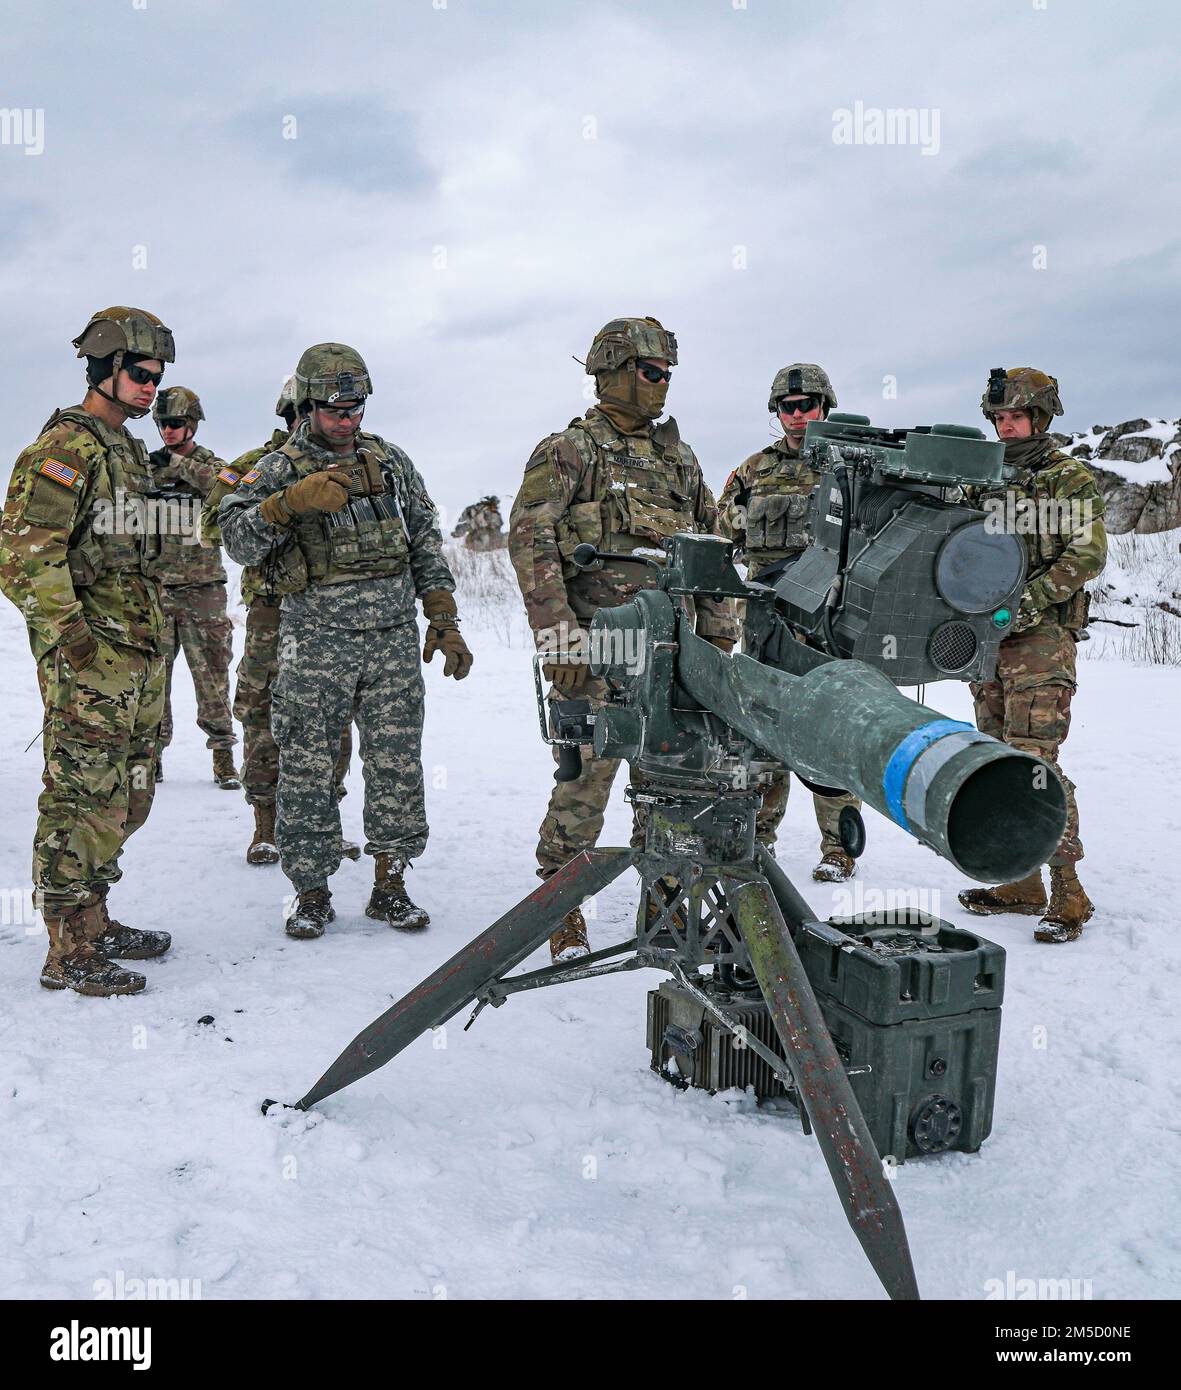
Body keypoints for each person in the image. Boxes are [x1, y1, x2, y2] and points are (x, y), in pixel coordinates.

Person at [219, 343, 472, 938]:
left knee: (396, 762)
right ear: (307, 405)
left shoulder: (391, 460)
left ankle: (391, 881)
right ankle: (310, 891)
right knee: (305, 766)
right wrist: (286, 505)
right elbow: (236, 539)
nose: (347, 419)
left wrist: (442, 613)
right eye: (335, 409)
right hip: (314, 638)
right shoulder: (279, 468)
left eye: (356, 407)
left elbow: (424, 538)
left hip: (390, 639)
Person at [508, 316, 737, 963]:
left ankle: (663, 904)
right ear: (609, 371)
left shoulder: (678, 460)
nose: (662, 384)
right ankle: (561, 908)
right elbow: (530, 542)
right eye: (650, 371)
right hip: (598, 656)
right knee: (583, 787)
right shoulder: (569, 451)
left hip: (672, 657)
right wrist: (560, 641)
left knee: (672, 785)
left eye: (667, 373)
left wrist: (718, 646)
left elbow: (713, 552)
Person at [0, 306, 175, 995]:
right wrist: (73, 643)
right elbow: (20, 557)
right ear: (103, 367)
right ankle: (65, 950)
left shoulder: (124, 451)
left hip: (138, 652)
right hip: (93, 660)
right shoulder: (65, 450)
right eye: (139, 373)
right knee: (80, 796)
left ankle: (95, 921)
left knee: (128, 795)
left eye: (157, 376)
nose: (150, 387)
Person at [957, 368, 1107, 943]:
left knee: (1034, 765)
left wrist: (1028, 602)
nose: (1005, 426)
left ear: (1041, 417)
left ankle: (1069, 889)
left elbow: (1086, 555)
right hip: (988, 646)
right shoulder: (984, 478)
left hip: (1040, 643)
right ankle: (1021, 883)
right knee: (996, 761)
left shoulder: (1069, 481)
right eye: (997, 419)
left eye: (1014, 417)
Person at [718, 363, 863, 882]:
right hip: (765, 621)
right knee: (764, 727)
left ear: (826, 407)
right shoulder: (754, 469)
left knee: (833, 727)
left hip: (832, 621)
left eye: (808, 406)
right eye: (788, 407)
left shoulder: (853, 465)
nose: (798, 416)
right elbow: (719, 529)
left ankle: (838, 848)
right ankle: (759, 838)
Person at [201, 377, 355, 864]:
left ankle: (324, 819)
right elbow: (211, 528)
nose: (303, 426)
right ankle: (265, 824)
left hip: (332, 611)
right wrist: (281, 505)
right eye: (296, 415)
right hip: (273, 611)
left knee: (334, 712)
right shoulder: (254, 467)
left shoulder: (347, 462)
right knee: (262, 709)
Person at [146, 386, 239, 788]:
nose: (167, 430)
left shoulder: (213, 465)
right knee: (152, 679)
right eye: (163, 424)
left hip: (204, 589)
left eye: (176, 424)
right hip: (159, 589)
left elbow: (230, 489)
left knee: (214, 678)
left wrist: (179, 465)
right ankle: (150, 757)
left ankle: (222, 755)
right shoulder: (146, 467)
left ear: (193, 425)